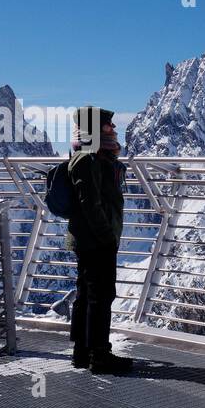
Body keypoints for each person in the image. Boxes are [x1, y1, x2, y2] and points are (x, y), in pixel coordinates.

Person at [66, 106, 133, 374]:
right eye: (108, 126)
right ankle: (99, 354)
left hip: (93, 238)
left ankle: (82, 351)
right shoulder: (87, 160)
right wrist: (107, 236)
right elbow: (90, 203)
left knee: (88, 295)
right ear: (94, 130)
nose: (114, 129)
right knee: (100, 296)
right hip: (96, 240)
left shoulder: (94, 157)